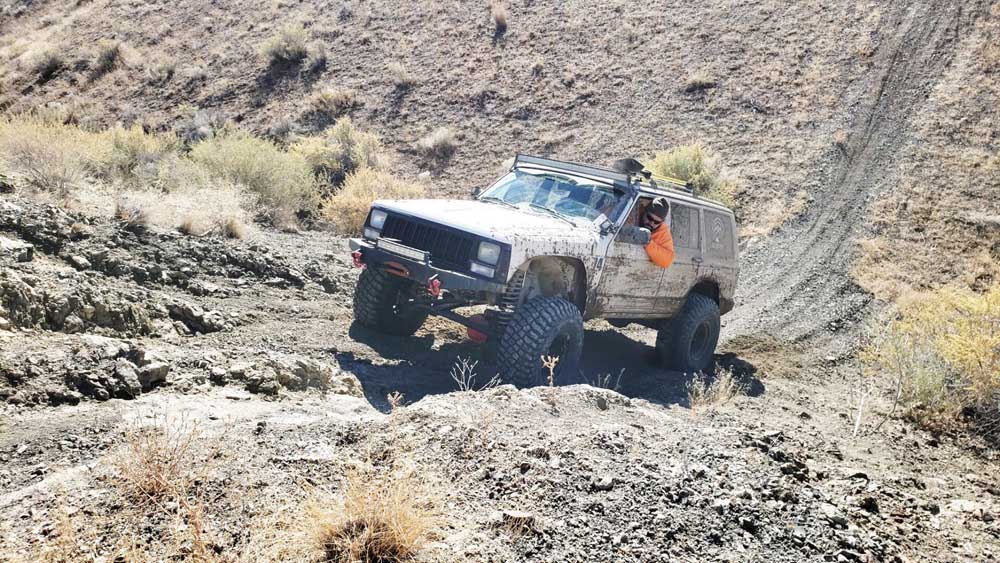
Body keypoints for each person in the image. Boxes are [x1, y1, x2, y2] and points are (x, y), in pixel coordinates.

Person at [641, 197, 675, 269]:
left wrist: (648, 243)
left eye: (657, 222)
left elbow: (667, 261)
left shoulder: (663, 232)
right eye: (650, 218)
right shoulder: (633, 212)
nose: (651, 223)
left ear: (662, 222)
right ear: (644, 211)